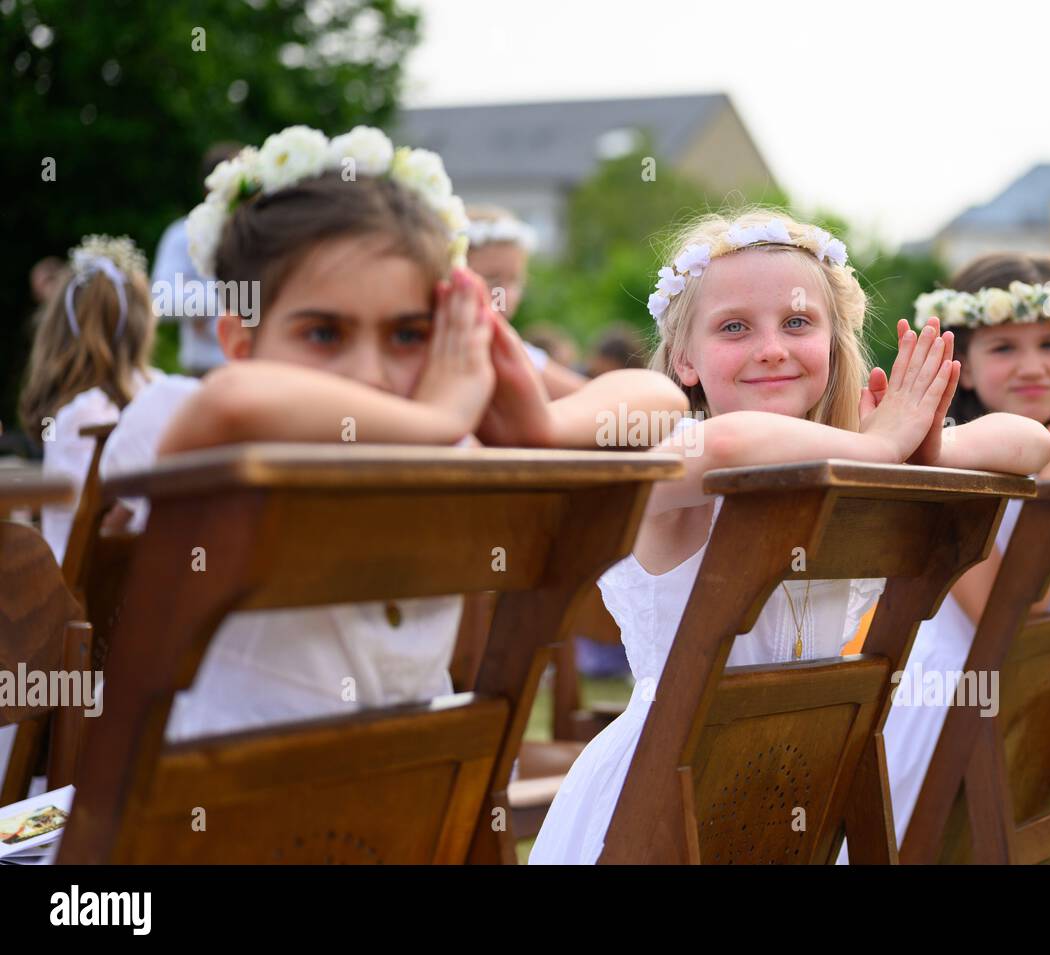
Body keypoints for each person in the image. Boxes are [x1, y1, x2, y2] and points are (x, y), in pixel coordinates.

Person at [99, 124, 687, 742]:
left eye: (407, 335)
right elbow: (229, 398)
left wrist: (543, 424)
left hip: (382, 823)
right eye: (323, 334)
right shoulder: (180, 413)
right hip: (213, 822)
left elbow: (662, 400)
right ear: (239, 341)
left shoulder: (441, 442)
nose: (370, 374)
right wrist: (437, 417)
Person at [529, 211, 1050, 863]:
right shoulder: (679, 466)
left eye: (798, 322)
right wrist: (882, 443)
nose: (772, 346)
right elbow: (731, 442)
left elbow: (1033, 441)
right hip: (658, 805)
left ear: (835, 344)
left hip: (801, 798)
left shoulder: (862, 465)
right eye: (734, 327)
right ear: (686, 358)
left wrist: (925, 449)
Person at [883, 251, 1050, 844]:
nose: (1032, 366)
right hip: (949, 696)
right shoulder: (948, 462)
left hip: (1026, 692)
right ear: (963, 369)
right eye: (1003, 348)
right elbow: (1018, 613)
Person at [18, 235, 157, 564]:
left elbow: (79, 539)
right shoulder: (160, 395)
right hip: (146, 587)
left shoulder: (82, 415)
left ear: (56, 330)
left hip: (78, 599)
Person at [466, 205, 587, 397]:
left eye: (515, 280)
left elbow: (585, 394)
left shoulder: (518, 352)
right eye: (492, 280)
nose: (505, 293)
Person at [151, 142, 243, 376]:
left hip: (260, 370)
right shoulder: (183, 234)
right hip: (204, 371)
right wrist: (216, 302)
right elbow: (161, 300)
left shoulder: (265, 231)